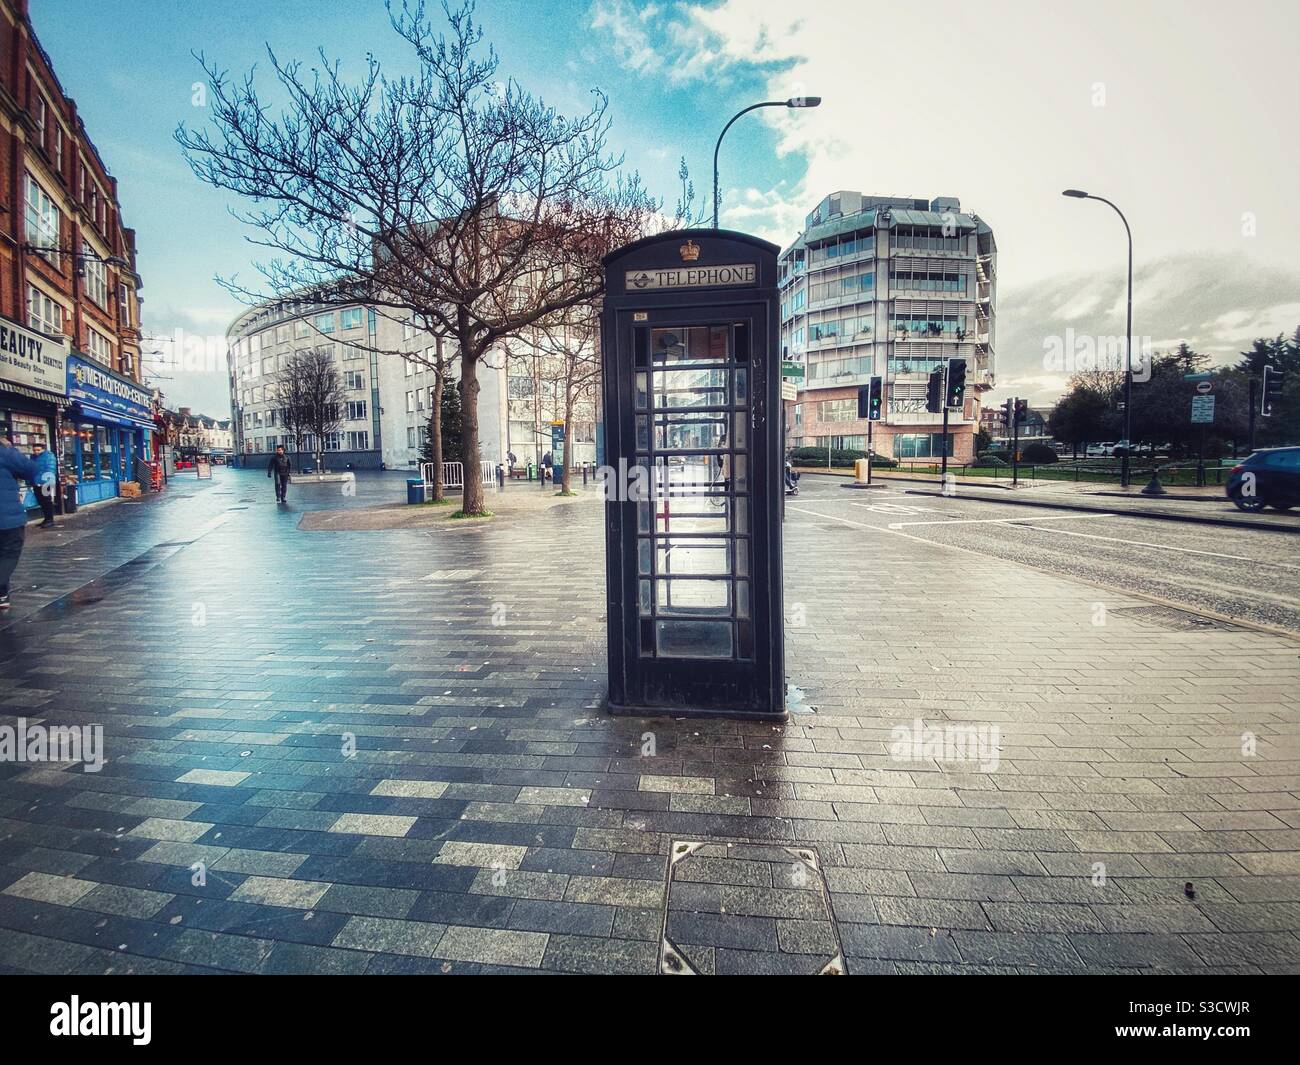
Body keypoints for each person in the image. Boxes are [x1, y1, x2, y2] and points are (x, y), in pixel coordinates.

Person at [0, 436, 38, 610]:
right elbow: (30, 469)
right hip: (7, 518)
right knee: (8, 553)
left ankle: (2, 594)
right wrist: (10, 449)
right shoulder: (4, 453)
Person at [30, 440, 57, 527]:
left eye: (38, 450)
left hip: (46, 483)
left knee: (47, 501)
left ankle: (50, 520)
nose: (36, 452)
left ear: (43, 449)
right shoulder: (32, 457)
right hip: (36, 482)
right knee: (41, 501)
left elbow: (51, 469)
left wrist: (45, 481)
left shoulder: (49, 456)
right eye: (34, 450)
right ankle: (46, 519)